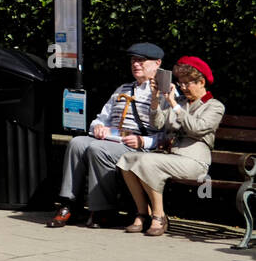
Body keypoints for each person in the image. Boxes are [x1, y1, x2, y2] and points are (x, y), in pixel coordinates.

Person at [49, 42, 168, 228]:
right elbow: (101, 118)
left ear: (157, 63)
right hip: (114, 140)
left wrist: (142, 140)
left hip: (140, 146)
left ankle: (103, 210)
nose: (136, 64)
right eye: (133, 61)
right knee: (77, 143)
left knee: (98, 148)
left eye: (141, 61)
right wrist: (98, 127)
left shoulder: (165, 93)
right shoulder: (123, 89)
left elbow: (168, 134)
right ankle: (69, 204)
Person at [119, 56, 223, 237]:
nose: (183, 88)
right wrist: (155, 99)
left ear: (201, 82)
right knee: (126, 159)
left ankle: (159, 216)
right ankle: (143, 213)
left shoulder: (214, 106)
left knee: (147, 161)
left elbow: (197, 129)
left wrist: (174, 104)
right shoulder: (182, 103)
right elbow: (158, 123)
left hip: (195, 161)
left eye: (187, 84)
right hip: (172, 157)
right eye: (180, 84)